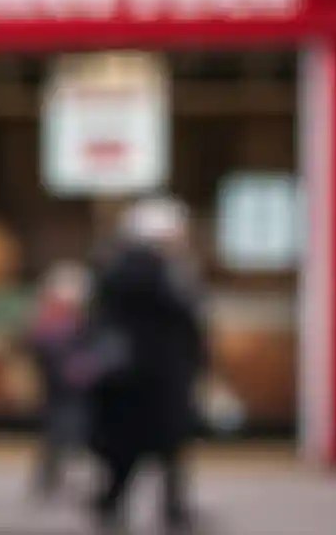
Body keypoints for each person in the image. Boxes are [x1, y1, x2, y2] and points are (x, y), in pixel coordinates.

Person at [85, 197, 207, 534]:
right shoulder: (148, 270)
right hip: (149, 376)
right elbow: (181, 317)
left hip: (142, 375)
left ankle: (133, 503)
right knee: (153, 444)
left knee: (148, 448)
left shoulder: (125, 267)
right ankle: (148, 505)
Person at [27, 261, 91, 499]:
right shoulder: (53, 318)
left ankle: (53, 475)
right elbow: (44, 346)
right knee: (60, 427)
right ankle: (51, 476)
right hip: (60, 381)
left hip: (65, 380)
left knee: (61, 427)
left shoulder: (60, 317)